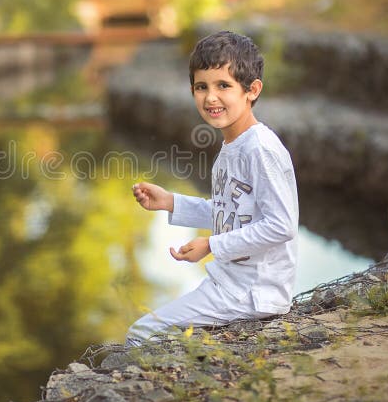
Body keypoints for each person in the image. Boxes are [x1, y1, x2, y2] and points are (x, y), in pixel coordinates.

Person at [125, 30, 299, 345]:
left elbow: (282, 225)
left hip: (252, 294)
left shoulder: (259, 149)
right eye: (201, 87)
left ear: (252, 90)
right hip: (228, 285)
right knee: (159, 333)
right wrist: (171, 202)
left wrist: (211, 246)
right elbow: (230, 212)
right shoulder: (232, 147)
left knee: (141, 333)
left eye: (223, 86)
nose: (210, 97)